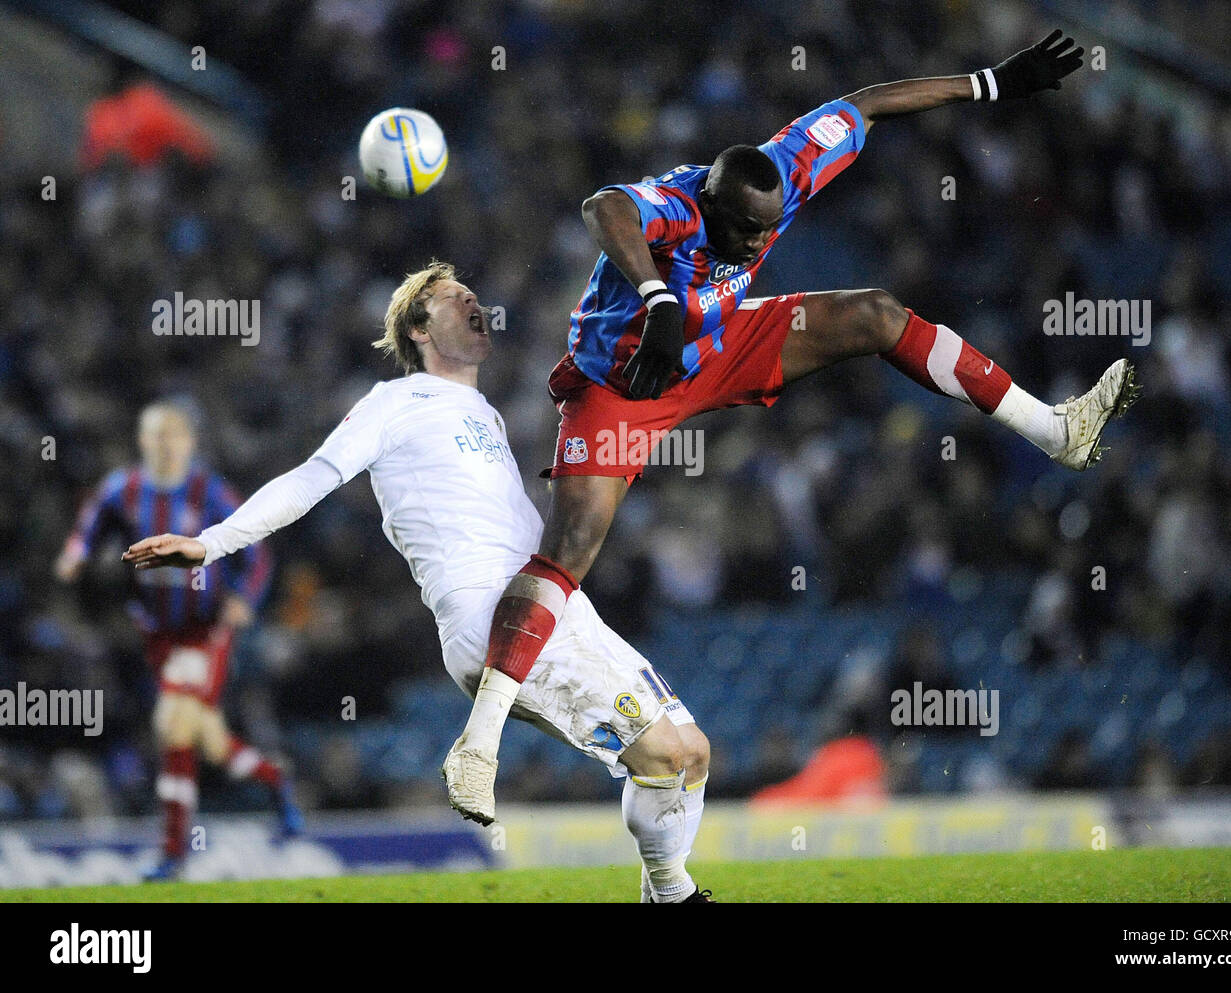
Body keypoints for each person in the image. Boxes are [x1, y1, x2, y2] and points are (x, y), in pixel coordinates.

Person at [444, 29, 1142, 824]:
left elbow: (869, 104)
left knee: (876, 314)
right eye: (741, 230)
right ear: (711, 203)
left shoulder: (787, 170)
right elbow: (601, 206)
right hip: (625, 382)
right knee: (569, 551)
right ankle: (478, 744)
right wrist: (658, 298)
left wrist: (987, 82)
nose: (754, 242)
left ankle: (1056, 430)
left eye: (765, 229)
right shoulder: (675, 205)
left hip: (720, 342)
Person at [123, 262, 713, 903]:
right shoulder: (393, 402)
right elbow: (311, 478)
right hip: (492, 618)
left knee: (692, 750)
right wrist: (212, 543)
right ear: (418, 327)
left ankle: (668, 889)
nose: (473, 302)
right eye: (453, 298)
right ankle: (670, 897)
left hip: (556, 603)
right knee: (660, 756)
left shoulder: (483, 411)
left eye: (473, 294)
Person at [56, 402, 297, 881]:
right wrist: (76, 555)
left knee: (171, 724)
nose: (166, 444)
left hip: (206, 630)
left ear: (190, 442)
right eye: (156, 435)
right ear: (143, 442)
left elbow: (257, 546)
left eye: (175, 435)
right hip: (157, 632)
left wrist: (245, 598)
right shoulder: (121, 489)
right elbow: (91, 527)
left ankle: (173, 850)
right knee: (206, 739)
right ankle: (275, 779)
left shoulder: (209, 491)